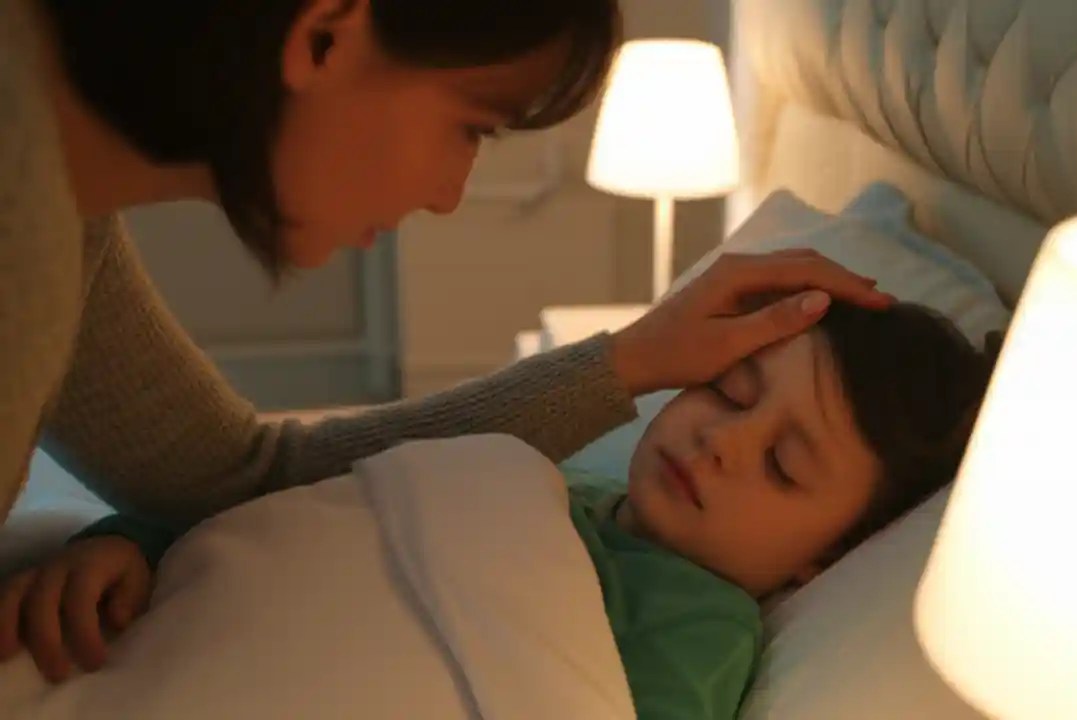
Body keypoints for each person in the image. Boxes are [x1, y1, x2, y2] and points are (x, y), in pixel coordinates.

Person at [0, 0, 895, 679]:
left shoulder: (61, 212)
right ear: (327, 36)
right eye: (471, 126)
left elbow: (238, 477)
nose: (449, 194)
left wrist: (629, 360)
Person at [2, 300, 997, 720]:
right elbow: (302, 507)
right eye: (728, 392)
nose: (719, 440)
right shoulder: (571, 496)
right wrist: (139, 541)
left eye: (781, 465)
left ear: (817, 565)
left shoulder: (702, 628)